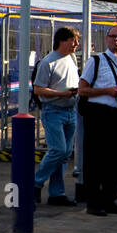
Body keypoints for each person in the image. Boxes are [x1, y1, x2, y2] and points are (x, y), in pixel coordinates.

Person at [78, 25, 117, 217]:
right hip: (98, 113)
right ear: (107, 39)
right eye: (113, 37)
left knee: (116, 161)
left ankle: (110, 200)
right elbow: (82, 90)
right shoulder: (95, 61)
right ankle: (93, 203)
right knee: (95, 160)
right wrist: (106, 90)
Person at [32, 27, 81, 206]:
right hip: (53, 110)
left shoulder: (71, 58)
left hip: (70, 111)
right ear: (62, 40)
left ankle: (56, 193)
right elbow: (38, 89)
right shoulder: (48, 62)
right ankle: (35, 184)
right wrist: (62, 94)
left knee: (65, 154)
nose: (76, 44)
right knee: (58, 150)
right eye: (73, 40)